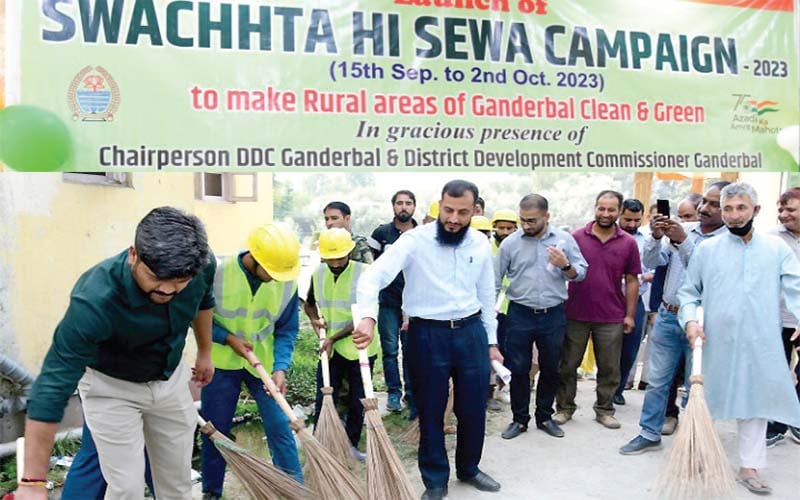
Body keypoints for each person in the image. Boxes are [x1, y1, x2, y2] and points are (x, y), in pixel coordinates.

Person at [19, 207, 215, 500]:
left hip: (169, 381)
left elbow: (203, 302)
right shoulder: (95, 299)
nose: (166, 290)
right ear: (134, 254)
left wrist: (205, 351)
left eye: (179, 283)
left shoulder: (201, 265)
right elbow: (52, 386)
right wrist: (32, 483)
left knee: (178, 486)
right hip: (111, 389)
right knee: (127, 489)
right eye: (156, 277)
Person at [354, 180, 503, 500]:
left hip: (470, 333)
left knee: (474, 407)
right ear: (439, 205)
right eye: (448, 210)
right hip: (427, 335)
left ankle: (469, 468)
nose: (453, 218)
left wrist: (491, 342)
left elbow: (487, 294)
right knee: (431, 409)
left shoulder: (478, 243)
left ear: (474, 211)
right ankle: (435, 480)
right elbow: (373, 276)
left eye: (463, 212)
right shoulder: (414, 241)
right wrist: (368, 316)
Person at [678, 182, 800, 495]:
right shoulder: (708, 250)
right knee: (708, 398)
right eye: (728, 208)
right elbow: (689, 293)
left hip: (761, 341)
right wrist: (691, 321)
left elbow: (796, 288)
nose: (733, 215)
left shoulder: (776, 249)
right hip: (715, 340)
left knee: (755, 403)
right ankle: (701, 455)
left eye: (741, 208)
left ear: (756, 211)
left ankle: (749, 467)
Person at [619, 182, 730, 455]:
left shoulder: (730, 240)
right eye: (705, 201)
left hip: (704, 321)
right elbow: (652, 261)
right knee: (657, 379)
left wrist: (682, 241)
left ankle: (695, 440)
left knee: (699, 383)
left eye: (714, 204)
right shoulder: (687, 229)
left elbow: (709, 274)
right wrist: (656, 238)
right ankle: (649, 432)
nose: (705, 208)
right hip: (669, 315)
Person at [200, 223, 304, 500]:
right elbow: (196, 316)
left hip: (264, 365)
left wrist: (281, 367)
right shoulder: (217, 273)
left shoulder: (286, 283)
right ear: (255, 259)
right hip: (221, 365)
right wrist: (226, 338)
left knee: (280, 425)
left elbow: (287, 329)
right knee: (215, 429)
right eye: (272, 271)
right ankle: (212, 490)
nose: (276, 278)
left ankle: (294, 488)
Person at [497, 194, 587, 440]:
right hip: (519, 313)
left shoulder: (564, 240)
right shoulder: (510, 244)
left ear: (547, 216)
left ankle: (545, 417)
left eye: (532, 220)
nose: (526, 225)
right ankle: (519, 419)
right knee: (519, 368)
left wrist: (565, 264)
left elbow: (581, 273)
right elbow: (495, 280)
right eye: (523, 220)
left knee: (550, 367)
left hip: (553, 314)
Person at [554, 190, 641, 430]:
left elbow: (632, 280)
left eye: (611, 209)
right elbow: (563, 270)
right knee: (568, 365)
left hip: (611, 315)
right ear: (595, 208)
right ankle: (564, 408)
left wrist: (630, 315)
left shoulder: (628, 243)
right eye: (601, 208)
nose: (605, 213)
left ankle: (605, 410)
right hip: (574, 313)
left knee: (610, 368)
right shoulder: (576, 237)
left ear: (620, 211)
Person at [304, 228, 380, 462]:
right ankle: (321, 444)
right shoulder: (318, 273)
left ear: (350, 251)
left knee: (358, 400)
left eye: (340, 257)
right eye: (330, 258)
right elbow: (308, 303)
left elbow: (364, 314)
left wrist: (332, 337)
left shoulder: (365, 273)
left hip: (360, 346)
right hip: (331, 349)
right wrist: (315, 321)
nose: (335, 262)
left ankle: (351, 445)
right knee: (325, 397)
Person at [368, 190, 417, 414]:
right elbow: (370, 267)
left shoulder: (422, 234)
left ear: (414, 207)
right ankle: (393, 394)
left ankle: (412, 394)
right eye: (399, 203)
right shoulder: (381, 234)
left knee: (411, 350)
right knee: (389, 350)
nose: (404, 207)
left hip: (414, 305)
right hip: (387, 302)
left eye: (408, 203)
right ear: (393, 206)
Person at [765, 187, 800, 445]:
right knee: (775, 371)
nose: (784, 214)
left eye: (791, 209)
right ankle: (775, 424)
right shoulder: (771, 239)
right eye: (781, 209)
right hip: (776, 317)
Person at [613, 199, 653, 406]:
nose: (631, 224)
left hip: (635, 299)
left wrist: (643, 277)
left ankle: (618, 390)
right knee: (607, 346)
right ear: (620, 214)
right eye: (627, 219)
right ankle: (606, 387)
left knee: (630, 347)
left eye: (636, 220)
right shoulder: (609, 235)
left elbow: (657, 267)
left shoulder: (647, 240)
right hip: (609, 298)